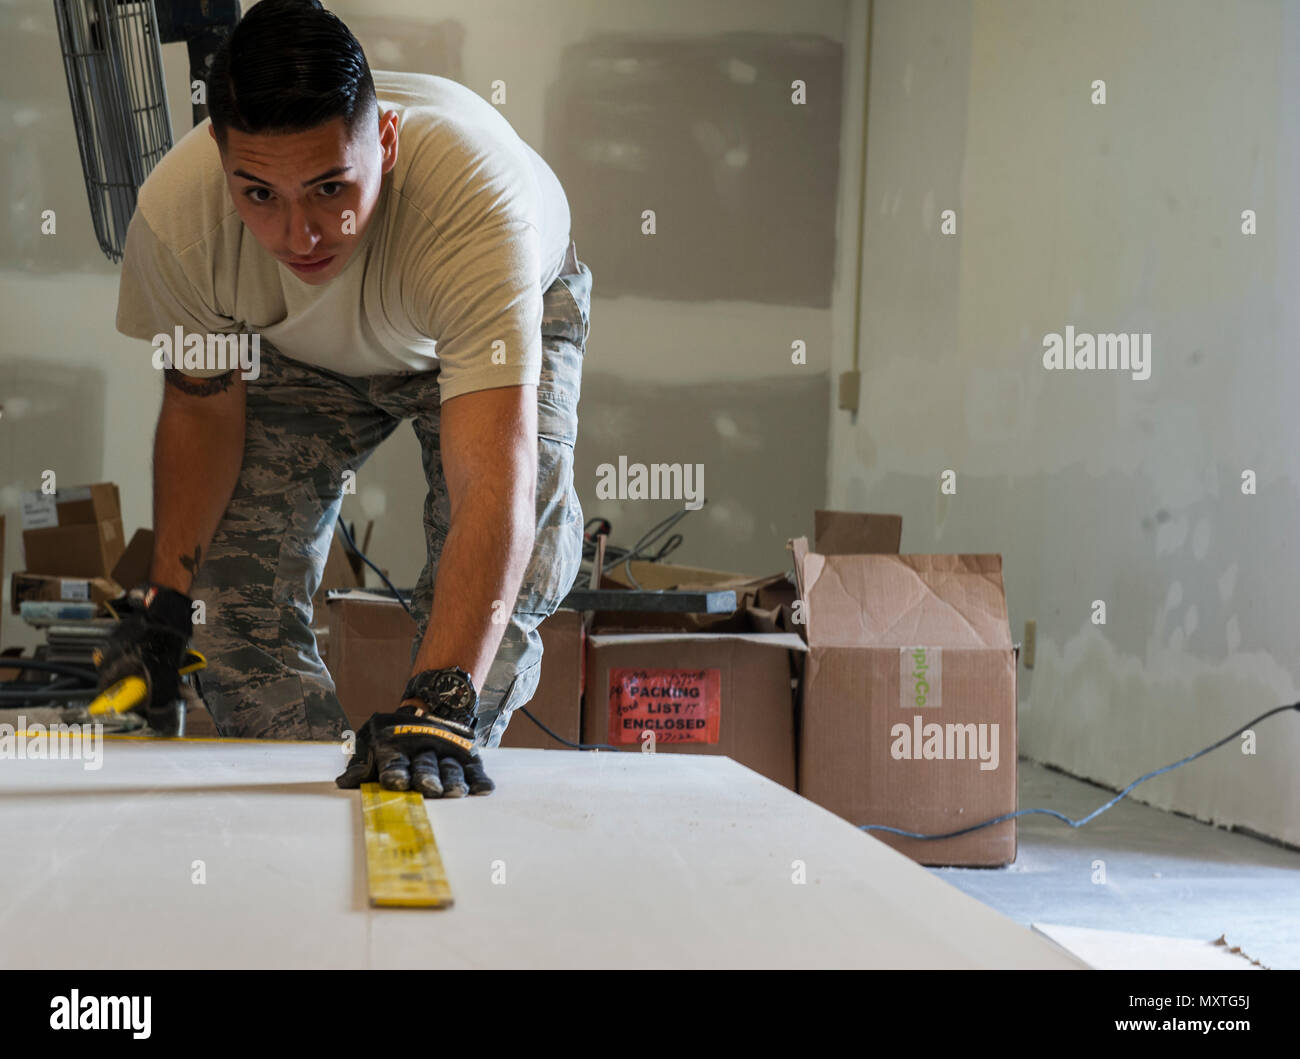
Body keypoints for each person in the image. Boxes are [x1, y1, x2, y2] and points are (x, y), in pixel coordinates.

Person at [96, 0, 590, 798]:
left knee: (514, 574)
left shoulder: (472, 205)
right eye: (259, 195)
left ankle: (426, 752)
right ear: (219, 162)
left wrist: (438, 700)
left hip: (478, 318)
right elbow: (200, 411)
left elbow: (493, 480)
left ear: (386, 143)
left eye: (331, 187)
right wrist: (166, 604)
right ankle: (316, 798)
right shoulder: (177, 220)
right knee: (230, 609)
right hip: (306, 346)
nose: (302, 234)